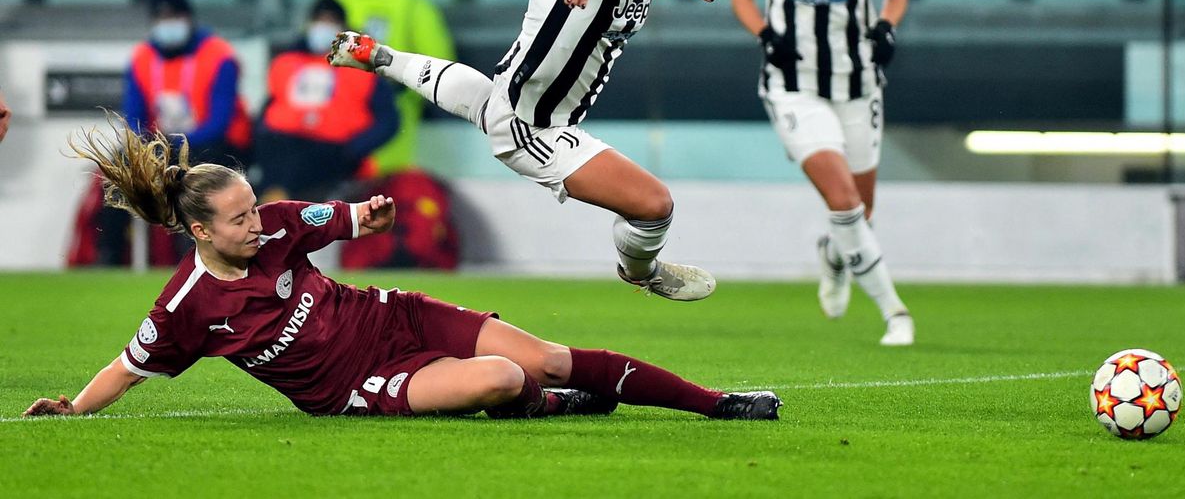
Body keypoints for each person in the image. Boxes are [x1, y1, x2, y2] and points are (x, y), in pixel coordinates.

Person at [24, 121, 781, 421]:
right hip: (356, 387)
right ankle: (549, 406)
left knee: (548, 355)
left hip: (395, 316)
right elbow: (127, 369)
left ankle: (718, 404)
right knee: (503, 379)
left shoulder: (280, 223)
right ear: (200, 232)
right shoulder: (185, 307)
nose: (258, 224)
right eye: (240, 219)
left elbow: (348, 216)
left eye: (255, 208)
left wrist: (375, 215)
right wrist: (74, 409)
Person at [328, 0, 722, 301]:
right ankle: (642, 271)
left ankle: (380, 56)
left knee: (486, 104)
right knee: (654, 206)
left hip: (527, 104)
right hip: (536, 128)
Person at [729, 0, 915, 346]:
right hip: (795, 85)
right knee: (844, 199)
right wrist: (767, 35)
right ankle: (895, 312)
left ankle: (835, 257)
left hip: (858, 84)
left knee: (860, 210)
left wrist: (886, 26)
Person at [92, 0, 253, 265]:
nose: (168, 24)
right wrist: (150, 146)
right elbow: (134, 118)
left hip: (213, 147)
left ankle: (193, 259)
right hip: (163, 146)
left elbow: (219, 123)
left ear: (188, 18)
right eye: (161, 18)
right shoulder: (141, 58)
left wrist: (173, 145)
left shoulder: (219, 56)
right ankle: (109, 255)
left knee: (195, 175)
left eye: (173, 17)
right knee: (118, 168)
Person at [327, 0, 455, 174]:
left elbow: (439, 62)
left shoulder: (408, 2)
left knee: (384, 192)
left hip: (391, 125)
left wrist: (400, 82)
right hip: (335, 126)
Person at [255, 0, 399, 201]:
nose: (323, 27)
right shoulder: (286, 62)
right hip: (283, 147)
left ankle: (278, 200)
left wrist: (352, 150)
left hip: (333, 154)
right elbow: (269, 107)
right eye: (319, 20)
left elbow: (388, 121)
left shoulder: (363, 67)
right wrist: (263, 134)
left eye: (331, 21)